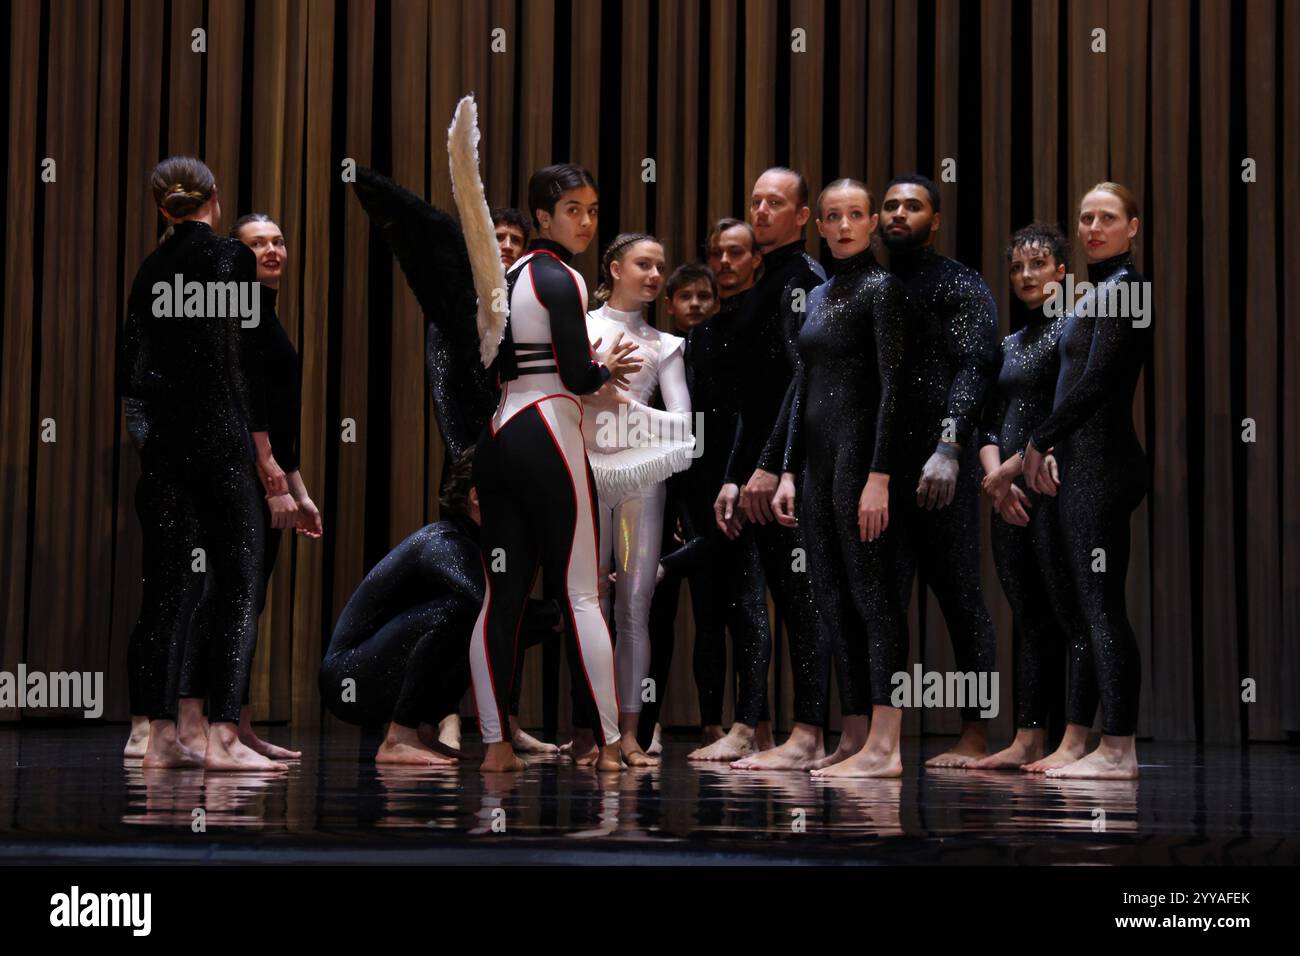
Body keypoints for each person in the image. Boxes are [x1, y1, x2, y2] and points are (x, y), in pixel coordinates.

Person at [468, 163, 642, 772]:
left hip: (500, 432)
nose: (588, 221)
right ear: (542, 216)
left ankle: (494, 748)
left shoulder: (504, 274)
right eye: (574, 209)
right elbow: (574, 377)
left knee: (501, 596)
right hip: (548, 430)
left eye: (593, 209)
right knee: (581, 594)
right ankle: (613, 746)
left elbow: (491, 367)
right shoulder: (562, 277)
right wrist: (605, 371)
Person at [120, 155, 288, 772]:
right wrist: (264, 455)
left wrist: (153, 443)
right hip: (221, 442)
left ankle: (155, 734)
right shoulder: (229, 259)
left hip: (165, 449)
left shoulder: (150, 271)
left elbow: (131, 375)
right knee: (237, 589)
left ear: (163, 209)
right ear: (213, 201)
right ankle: (222, 738)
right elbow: (242, 361)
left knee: (163, 594)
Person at [771, 179, 911, 777]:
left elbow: (894, 389)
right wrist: (785, 472)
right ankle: (854, 737)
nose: (846, 225)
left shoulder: (883, 290)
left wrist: (878, 476)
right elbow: (803, 388)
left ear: (873, 221)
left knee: (876, 601)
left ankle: (887, 745)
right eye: (835, 216)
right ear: (820, 227)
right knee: (833, 598)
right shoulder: (822, 295)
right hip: (817, 466)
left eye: (857, 215)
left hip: (863, 465)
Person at [174, 214, 320, 763]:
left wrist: (299, 489)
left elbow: (281, 419)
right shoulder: (240, 311)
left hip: (268, 474)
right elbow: (247, 405)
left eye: (279, 240)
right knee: (226, 597)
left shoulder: (262, 312)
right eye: (257, 243)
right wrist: (268, 472)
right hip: (242, 472)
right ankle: (204, 728)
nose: (272, 250)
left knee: (246, 598)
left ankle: (236, 723)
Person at [1021, 183, 1149, 780]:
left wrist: (1039, 440)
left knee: (1101, 609)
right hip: (1078, 464)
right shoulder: (1093, 292)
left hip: (1105, 466)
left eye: (1107, 218)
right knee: (1078, 612)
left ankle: (1119, 749)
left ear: (1133, 227)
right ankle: (1075, 740)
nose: (1094, 227)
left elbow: (1097, 385)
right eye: (1086, 218)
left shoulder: (1128, 292)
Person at [320, 449, 561, 765]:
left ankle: (424, 731)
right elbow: (495, 611)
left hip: (375, 671)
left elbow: (506, 625)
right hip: (349, 677)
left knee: (473, 623)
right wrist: (563, 613)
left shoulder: (475, 544)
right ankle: (398, 737)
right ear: (477, 496)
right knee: (462, 612)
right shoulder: (444, 542)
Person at [879, 173, 1000, 768]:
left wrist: (950, 447)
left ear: (936, 219)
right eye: (891, 205)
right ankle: (882, 741)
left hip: (938, 463)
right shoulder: (872, 284)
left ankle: (976, 736)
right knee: (883, 602)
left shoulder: (959, 282)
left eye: (913, 206)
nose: (899, 214)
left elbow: (976, 365)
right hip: (880, 467)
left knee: (961, 599)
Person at [971, 223, 1100, 770]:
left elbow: (1071, 412)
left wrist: (1017, 470)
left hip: (1053, 484)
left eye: (1039, 265)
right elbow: (984, 423)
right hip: (1010, 496)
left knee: (1070, 616)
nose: (1026, 276)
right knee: (1027, 616)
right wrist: (996, 479)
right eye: (1018, 268)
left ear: (1061, 272)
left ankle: (1075, 740)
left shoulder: (1074, 329)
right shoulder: (1009, 345)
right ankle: (1028, 736)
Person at [715, 169, 831, 770]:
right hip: (764, 464)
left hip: (794, 469)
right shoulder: (766, 282)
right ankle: (763, 729)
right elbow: (752, 398)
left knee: (800, 600)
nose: (760, 210)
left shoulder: (804, 281)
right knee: (768, 597)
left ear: (803, 216)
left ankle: (809, 734)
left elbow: (800, 383)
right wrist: (735, 474)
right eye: (755, 200)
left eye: (775, 202)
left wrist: (774, 468)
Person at [581, 233, 694, 766]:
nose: (654, 275)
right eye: (643, 264)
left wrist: (621, 400)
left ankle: (630, 734)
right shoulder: (581, 326)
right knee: (587, 604)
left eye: (660, 267)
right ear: (614, 267)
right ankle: (593, 732)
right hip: (583, 470)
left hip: (641, 478)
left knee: (633, 609)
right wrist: (591, 387)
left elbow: (684, 428)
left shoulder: (665, 344)